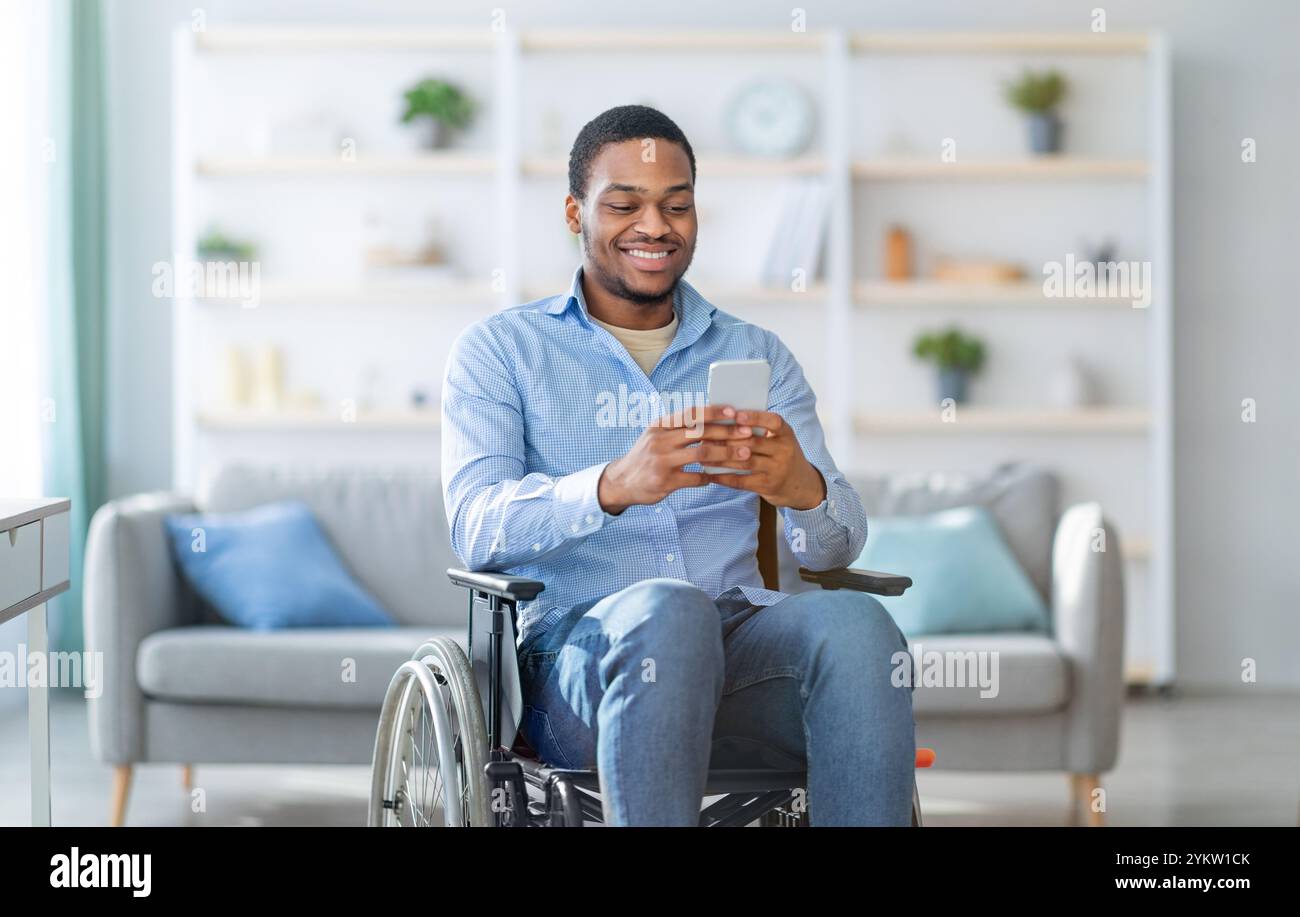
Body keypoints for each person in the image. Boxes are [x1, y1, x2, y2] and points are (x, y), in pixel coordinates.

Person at [442, 105, 914, 826]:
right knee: (670, 611)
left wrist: (801, 488)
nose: (655, 226)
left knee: (859, 627)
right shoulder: (500, 352)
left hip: (740, 653)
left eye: (677, 205)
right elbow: (475, 528)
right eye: (625, 204)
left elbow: (838, 545)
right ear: (576, 212)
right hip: (579, 664)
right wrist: (610, 487)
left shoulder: (760, 355)